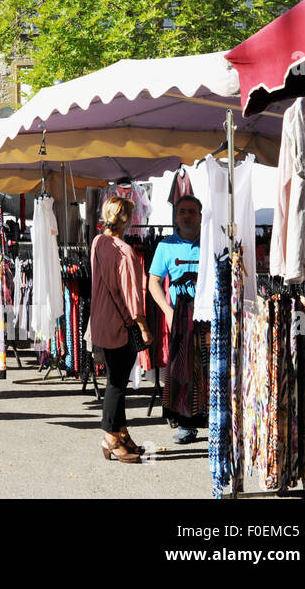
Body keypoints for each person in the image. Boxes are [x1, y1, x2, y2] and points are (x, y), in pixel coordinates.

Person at [90, 196, 151, 464]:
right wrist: (143, 326)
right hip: (121, 325)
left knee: (116, 380)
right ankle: (111, 438)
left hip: (101, 320)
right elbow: (131, 296)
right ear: (126, 219)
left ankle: (121, 432)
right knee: (117, 383)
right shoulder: (124, 251)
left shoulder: (98, 242)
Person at [148, 194, 207, 444]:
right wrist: (168, 311)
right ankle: (186, 425)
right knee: (182, 371)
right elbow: (153, 282)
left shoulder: (211, 243)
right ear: (176, 216)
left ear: (200, 215)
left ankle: (215, 422)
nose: (186, 215)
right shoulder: (165, 246)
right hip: (180, 315)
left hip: (209, 313)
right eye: (182, 211)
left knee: (210, 369)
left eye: (192, 211)